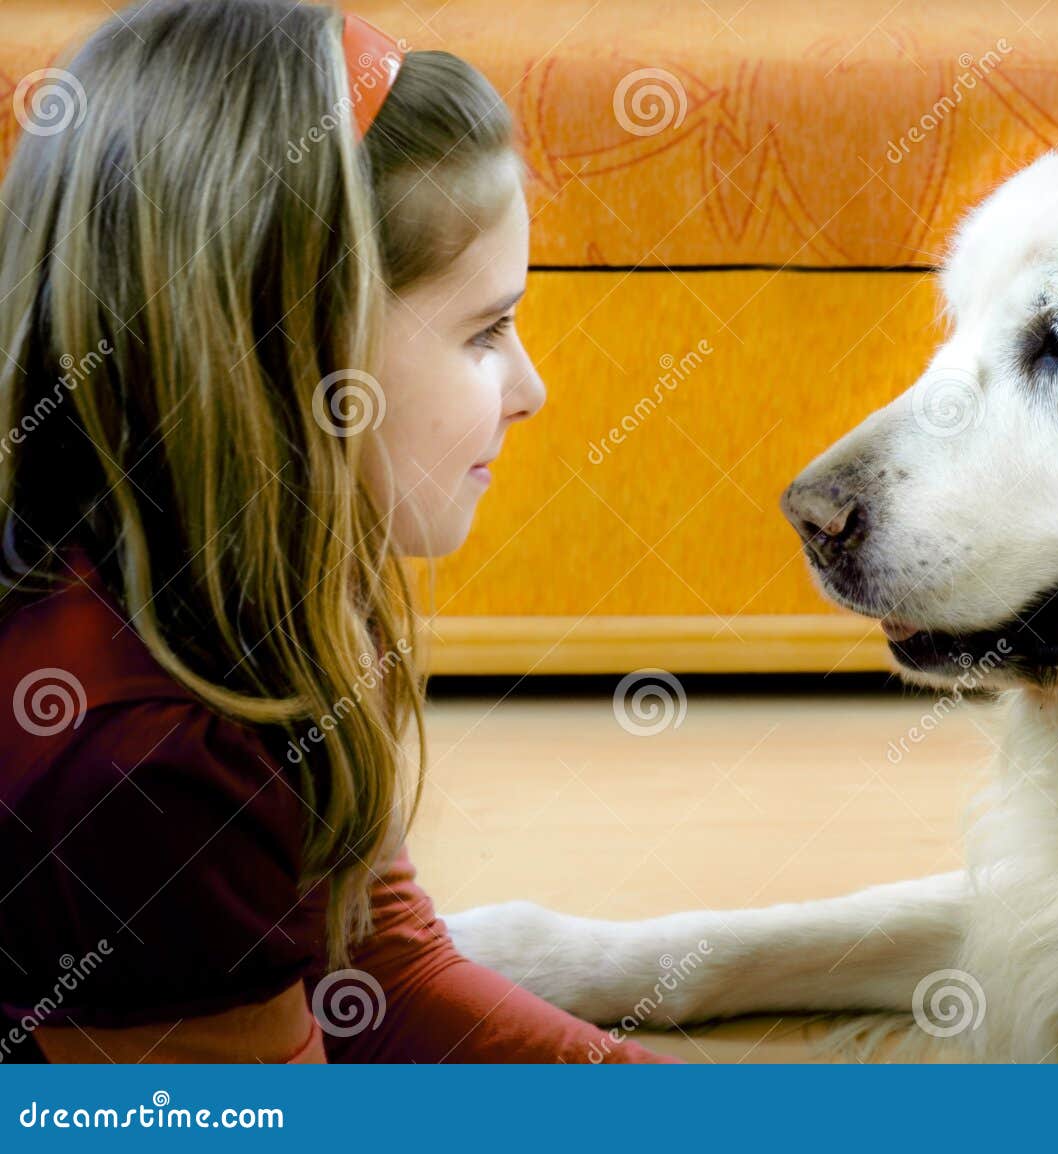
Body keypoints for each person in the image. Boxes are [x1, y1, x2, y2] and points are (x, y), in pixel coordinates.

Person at [0, 0, 671, 1063]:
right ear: (294, 354)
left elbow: (378, 975)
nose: (531, 388)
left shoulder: (256, 557)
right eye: (484, 329)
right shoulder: (149, 766)